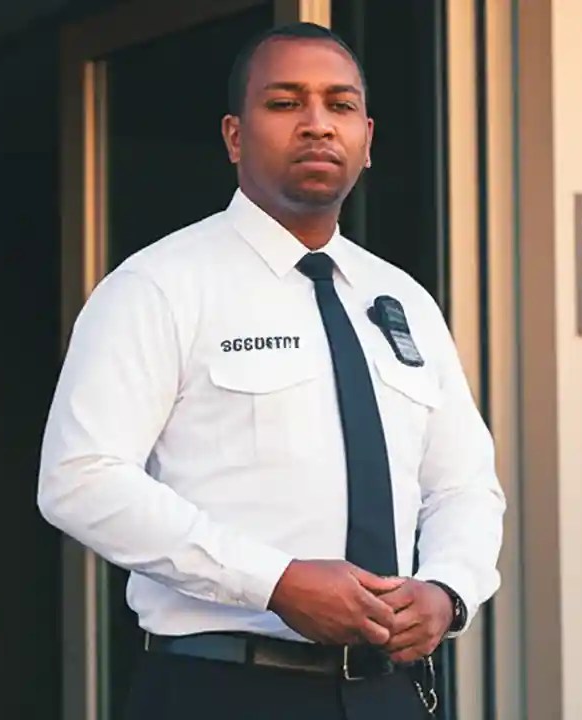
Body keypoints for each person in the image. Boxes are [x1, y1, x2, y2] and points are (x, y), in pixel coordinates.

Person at [37, 21, 505, 720]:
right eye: (286, 103)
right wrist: (276, 583)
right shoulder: (161, 285)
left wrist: (448, 589)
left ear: (368, 139)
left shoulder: (401, 300)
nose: (318, 125)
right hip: (223, 688)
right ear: (233, 135)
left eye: (340, 106)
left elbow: (464, 485)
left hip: (388, 692)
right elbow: (79, 478)